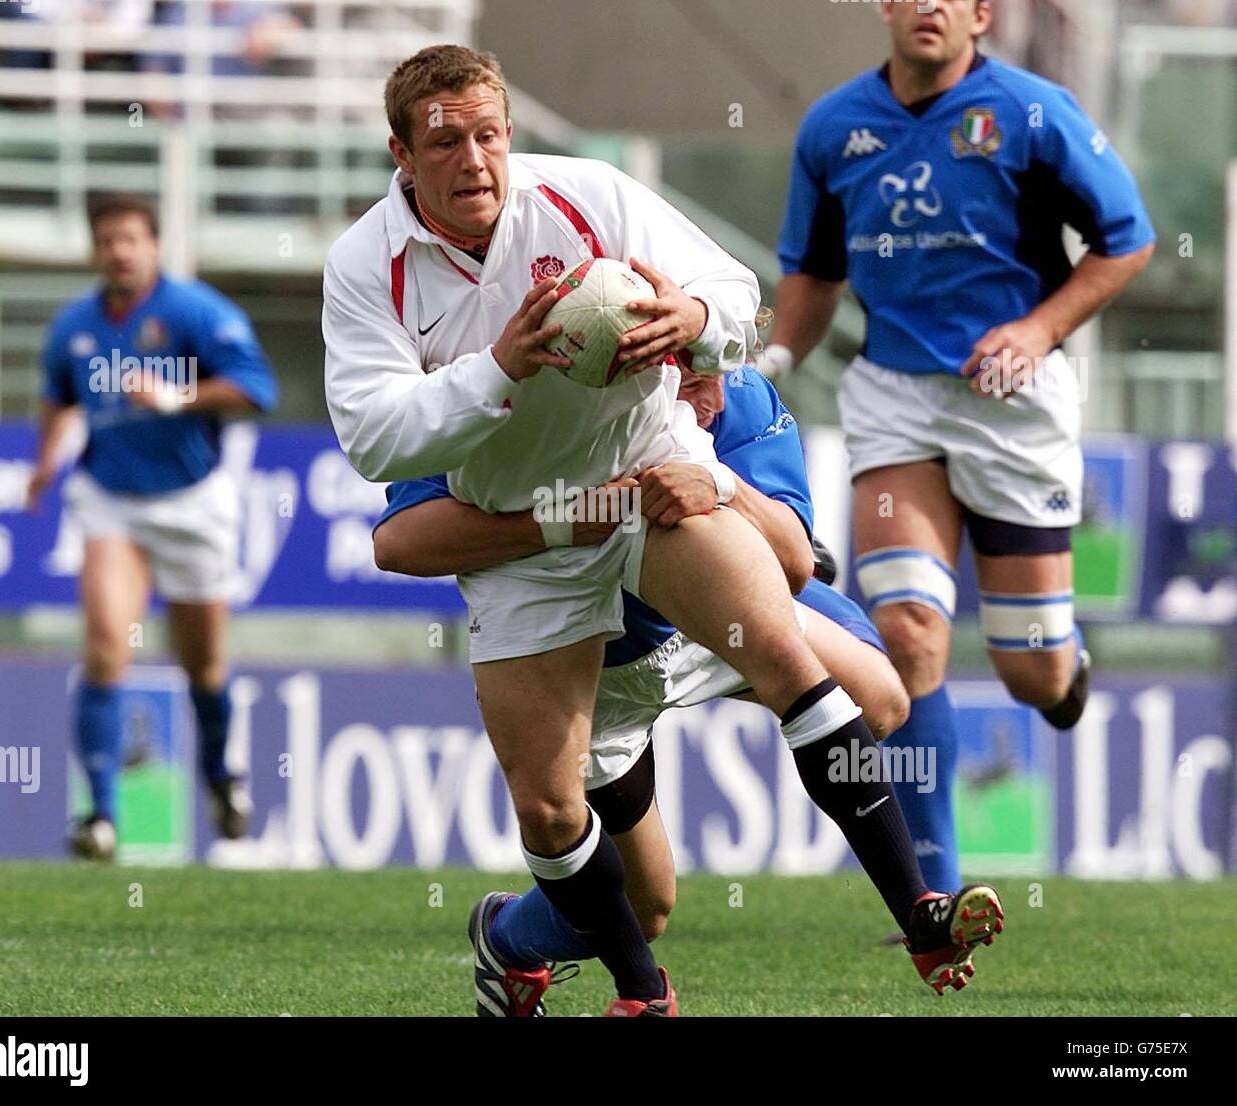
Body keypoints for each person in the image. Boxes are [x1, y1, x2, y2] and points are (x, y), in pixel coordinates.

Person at [325, 44, 1001, 1016]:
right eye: (444, 141)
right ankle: (632, 986)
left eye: (487, 135)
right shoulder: (366, 269)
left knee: (794, 657)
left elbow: (735, 302)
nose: (473, 159)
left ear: (509, 134)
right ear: (402, 153)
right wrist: (499, 369)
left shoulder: (591, 198)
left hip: (643, 484)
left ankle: (922, 911)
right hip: (546, 564)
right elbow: (375, 438)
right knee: (572, 829)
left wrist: (690, 314)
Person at [373, 363, 1006, 1013]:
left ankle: (918, 907)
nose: (703, 397)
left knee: (880, 697)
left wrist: (722, 484)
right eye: (685, 373)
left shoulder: (741, 393)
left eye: (714, 370)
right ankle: (507, 939)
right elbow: (398, 542)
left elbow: (792, 556)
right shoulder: (505, 402)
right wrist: (562, 521)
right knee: (646, 907)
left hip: (713, 619)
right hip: (599, 670)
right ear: (638, 362)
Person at [760, 0, 1155, 891]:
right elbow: (815, 274)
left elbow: (1126, 242)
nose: (931, 4)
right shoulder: (833, 126)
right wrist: (774, 358)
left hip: (1016, 401)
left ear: (981, 13)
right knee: (905, 638)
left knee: (1030, 674)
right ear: (886, 8)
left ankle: (1063, 670)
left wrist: (1037, 329)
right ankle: (932, 885)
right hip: (896, 398)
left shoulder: (1033, 112)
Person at [27, 193, 279, 860]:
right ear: (93, 250)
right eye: (107, 240)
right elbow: (58, 399)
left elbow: (259, 387)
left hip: (193, 503)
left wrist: (181, 397)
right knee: (108, 643)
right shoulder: (74, 327)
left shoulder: (195, 312)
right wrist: (44, 465)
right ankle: (101, 818)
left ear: (154, 246)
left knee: (204, 666)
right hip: (110, 499)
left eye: (130, 239)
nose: (119, 251)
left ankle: (221, 778)